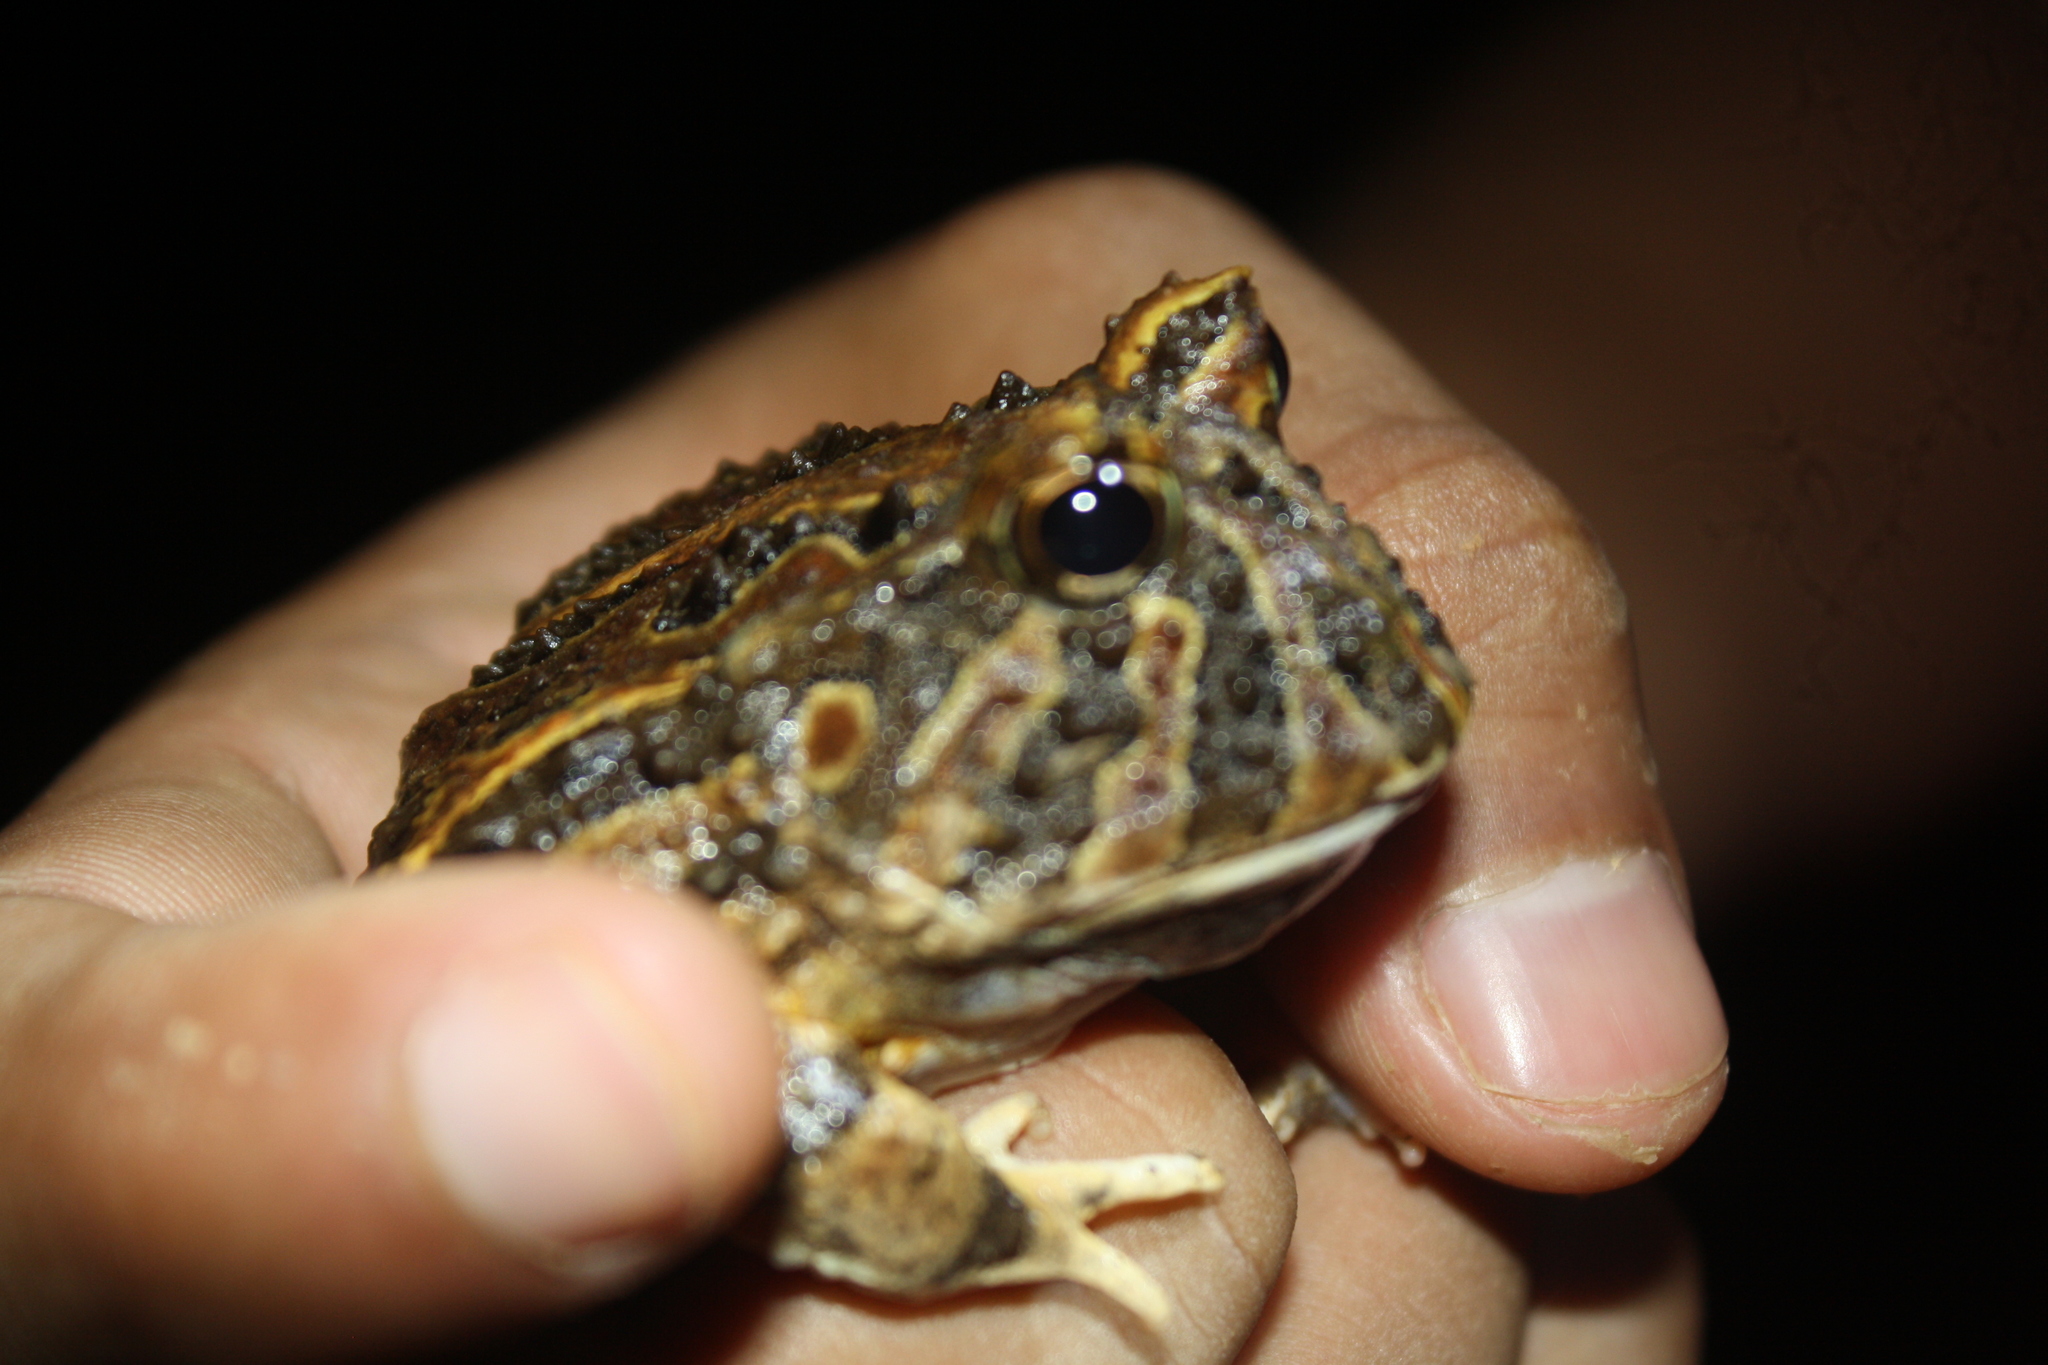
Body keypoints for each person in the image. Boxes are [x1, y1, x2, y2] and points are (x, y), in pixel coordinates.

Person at [0, 171, 1725, 1363]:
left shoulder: (1089, 733)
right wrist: (974, 1213)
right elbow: (739, 1064)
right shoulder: (832, 802)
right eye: (1104, 524)